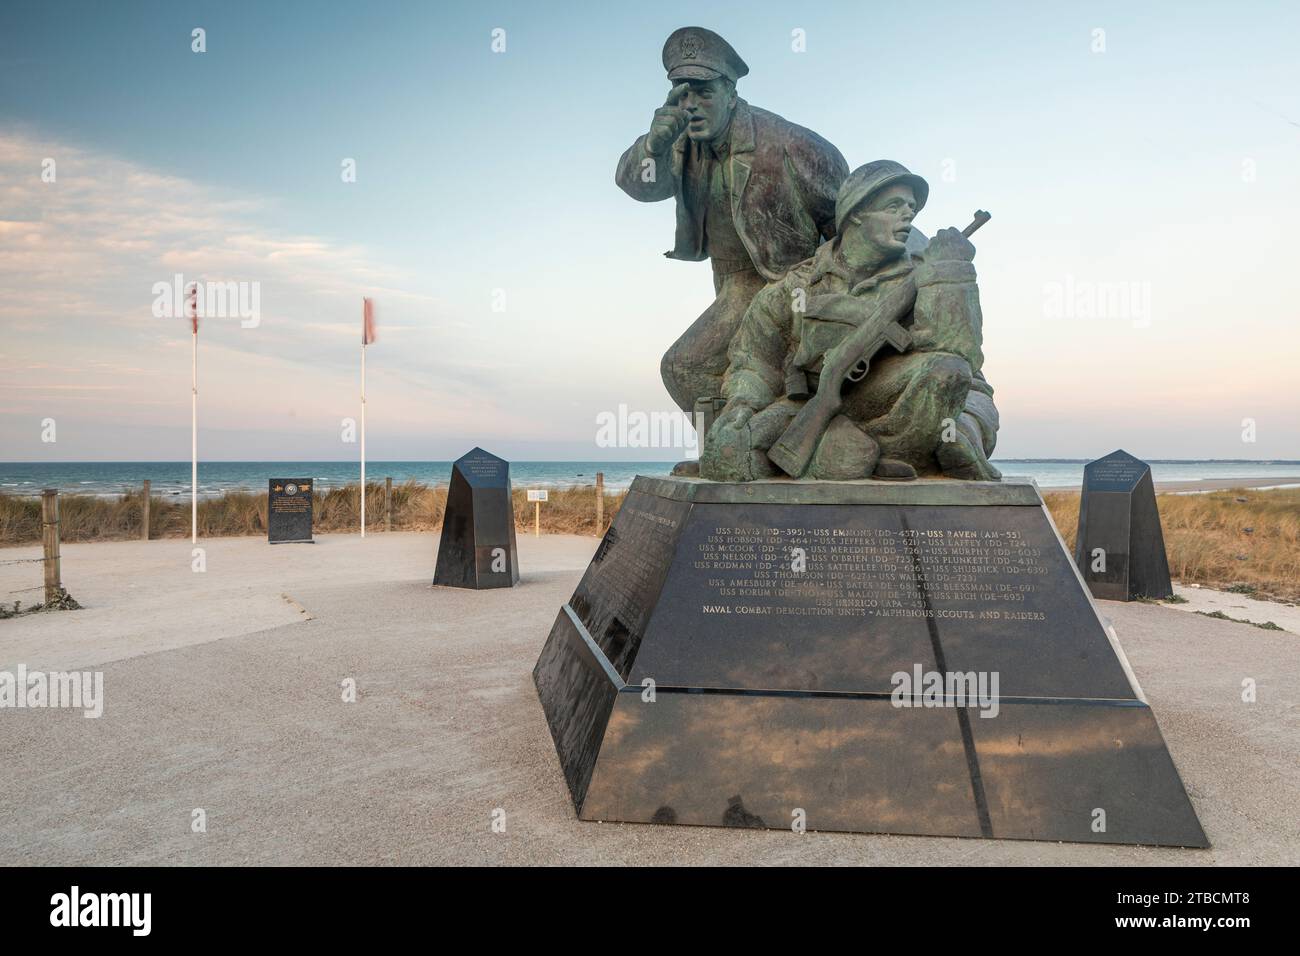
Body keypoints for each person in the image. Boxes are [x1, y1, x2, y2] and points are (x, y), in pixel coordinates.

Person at [701, 160, 1002, 482]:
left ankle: (862, 450)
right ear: (856, 212)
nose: (907, 216)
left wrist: (950, 271)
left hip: (900, 397)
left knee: (952, 378)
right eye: (893, 206)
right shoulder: (795, 285)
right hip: (812, 402)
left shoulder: (924, 275)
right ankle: (868, 451)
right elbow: (755, 361)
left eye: (911, 209)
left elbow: (957, 351)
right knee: (730, 452)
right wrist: (743, 403)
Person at [615, 26, 849, 426]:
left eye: (704, 92)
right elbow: (638, 186)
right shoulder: (677, 142)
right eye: (682, 93)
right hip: (728, 280)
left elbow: (848, 224)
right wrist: (651, 145)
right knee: (730, 372)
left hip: (781, 281)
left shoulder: (791, 144)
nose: (691, 105)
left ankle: (738, 448)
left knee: (684, 365)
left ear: (731, 92)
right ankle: (729, 452)